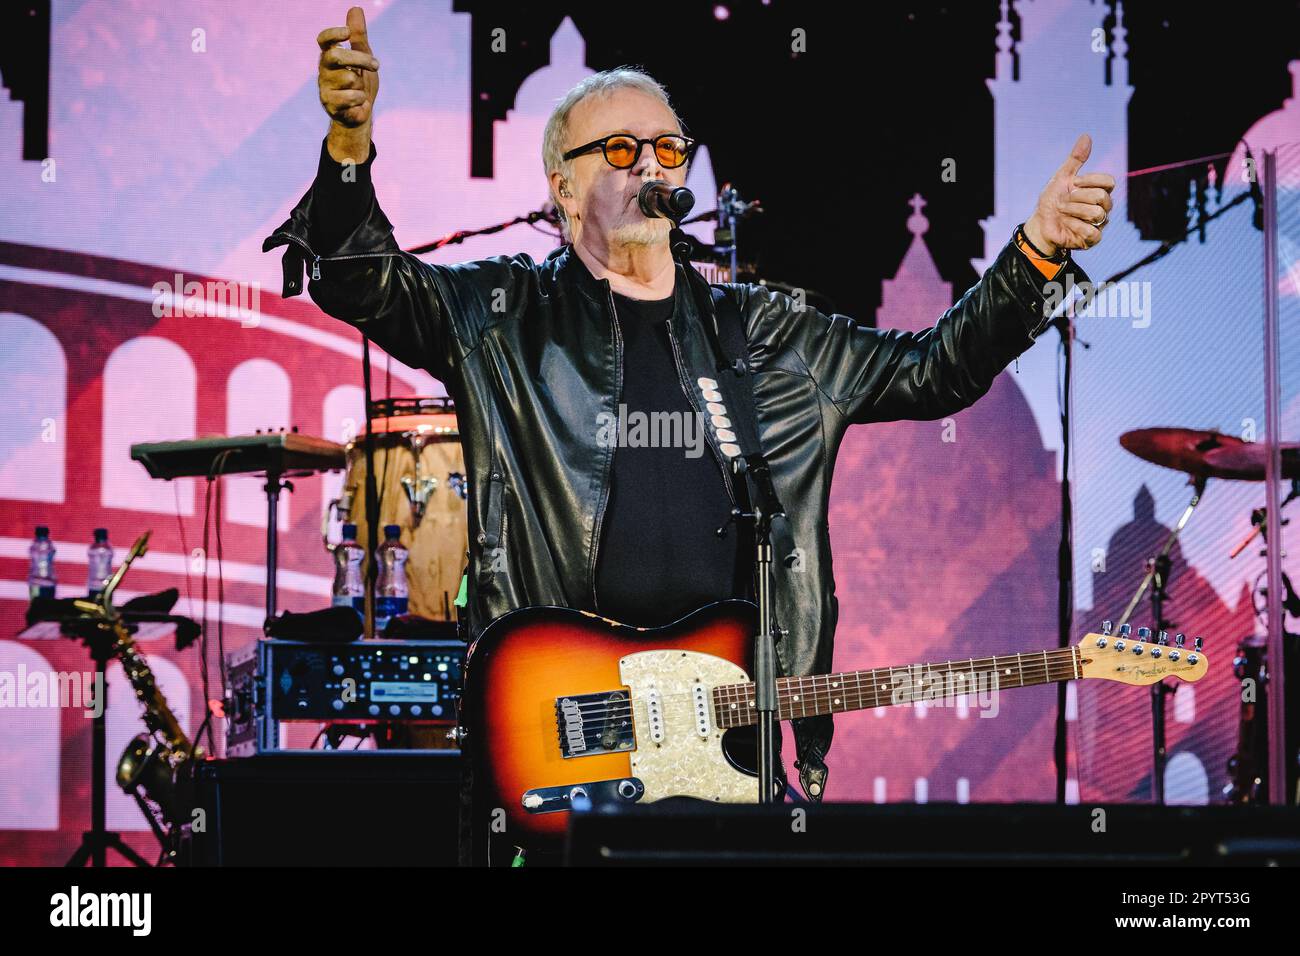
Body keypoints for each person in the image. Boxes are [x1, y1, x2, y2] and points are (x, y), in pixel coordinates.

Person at [264, 6, 1115, 813]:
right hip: (560, 738)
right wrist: (349, 149)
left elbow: (936, 372)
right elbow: (364, 277)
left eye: (668, 148)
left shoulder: (767, 332)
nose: (652, 166)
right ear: (563, 187)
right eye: (624, 148)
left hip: (727, 754)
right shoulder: (503, 319)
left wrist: (1033, 256)